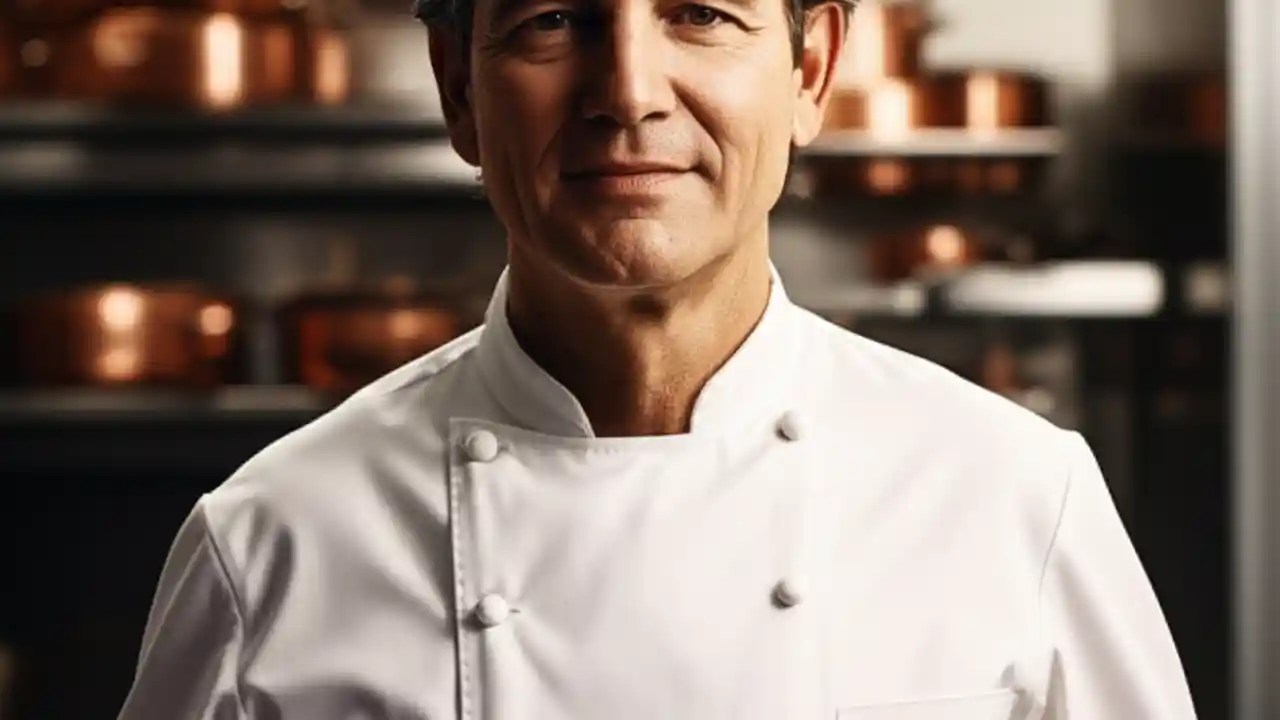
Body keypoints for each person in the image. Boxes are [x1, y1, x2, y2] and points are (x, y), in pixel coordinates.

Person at [117, 0, 1198, 714]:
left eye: (698, 14)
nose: (626, 90)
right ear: (458, 88)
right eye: (553, 20)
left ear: (810, 69)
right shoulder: (268, 541)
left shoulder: (1012, 498)